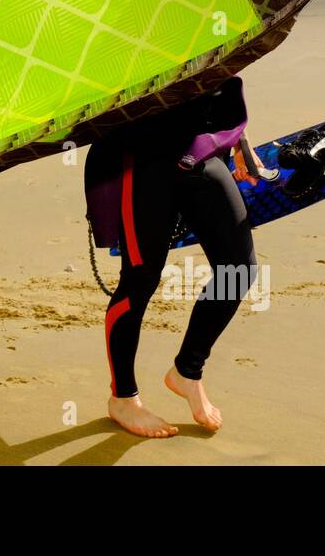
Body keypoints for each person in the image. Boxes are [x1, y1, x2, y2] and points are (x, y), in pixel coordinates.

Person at [84, 86, 272, 437]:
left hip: (199, 150)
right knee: (139, 281)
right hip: (142, 164)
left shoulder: (207, 29)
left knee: (238, 268)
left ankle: (187, 371)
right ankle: (123, 398)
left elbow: (218, 67)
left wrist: (238, 139)